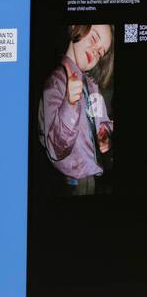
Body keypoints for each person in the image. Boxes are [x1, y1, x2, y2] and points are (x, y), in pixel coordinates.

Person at [39, 23, 114, 195]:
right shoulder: (54, 83)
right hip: (70, 184)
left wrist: (105, 133)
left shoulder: (92, 85)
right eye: (94, 38)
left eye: (100, 53)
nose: (95, 51)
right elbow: (56, 148)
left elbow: (102, 119)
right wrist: (70, 104)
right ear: (75, 27)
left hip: (93, 177)